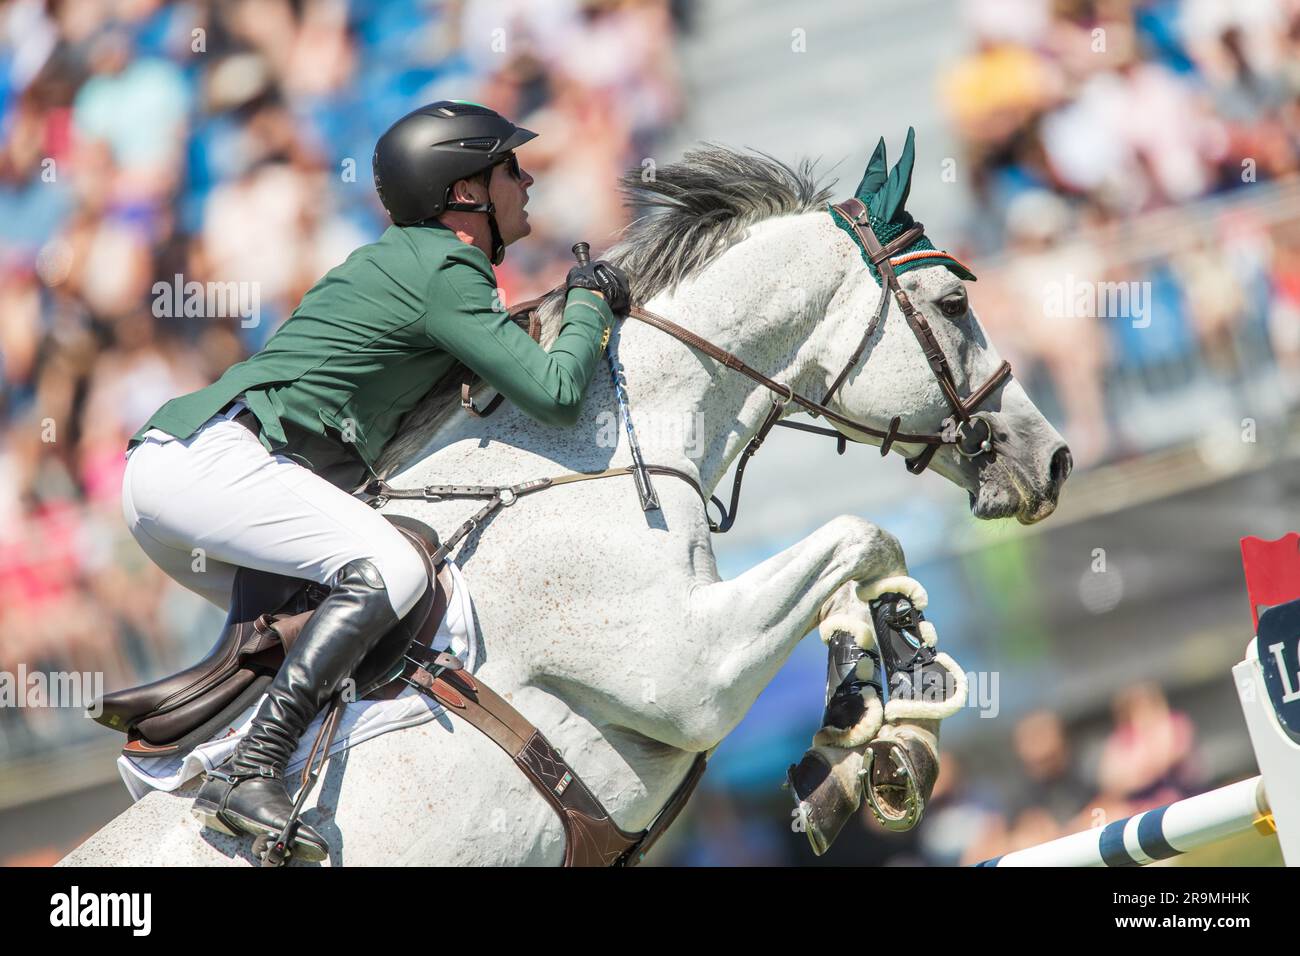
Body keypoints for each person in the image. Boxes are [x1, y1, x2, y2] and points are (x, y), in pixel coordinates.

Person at [120, 101, 631, 861]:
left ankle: (243, 773)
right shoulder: (445, 266)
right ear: (465, 194)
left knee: (343, 624)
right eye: (509, 169)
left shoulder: (413, 263)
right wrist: (590, 301)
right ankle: (253, 769)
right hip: (214, 462)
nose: (527, 180)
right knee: (391, 568)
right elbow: (557, 395)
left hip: (182, 473)